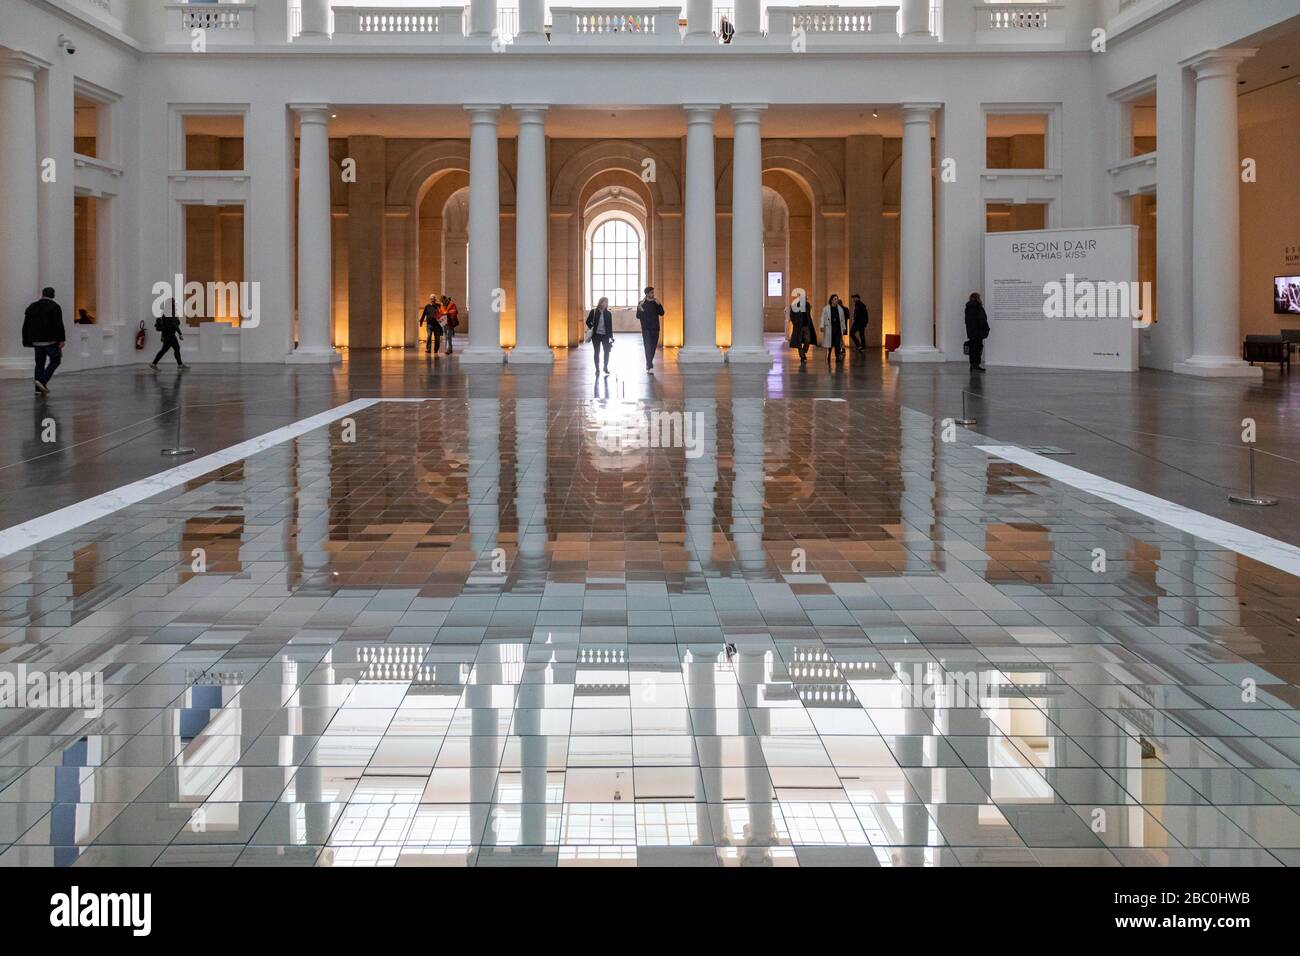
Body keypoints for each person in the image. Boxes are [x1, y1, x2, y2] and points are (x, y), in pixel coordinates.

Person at [23, 287, 65, 396]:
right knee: (56, 360)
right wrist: (61, 339)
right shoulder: (55, 307)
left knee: (39, 364)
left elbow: (26, 324)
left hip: (36, 342)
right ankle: (42, 381)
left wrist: (26, 339)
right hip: (50, 341)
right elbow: (58, 324)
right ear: (53, 295)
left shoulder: (32, 306)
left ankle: (38, 389)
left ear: (43, 294)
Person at [151, 297, 188, 369]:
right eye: (174, 303)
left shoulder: (165, 313)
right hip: (171, 335)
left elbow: (165, 326)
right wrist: (180, 334)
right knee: (175, 348)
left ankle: (154, 363)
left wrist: (162, 336)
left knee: (165, 350)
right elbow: (175, 325)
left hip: (167, 335)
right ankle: (180, 365)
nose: (175, 304)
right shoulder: (170, 313)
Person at [636, 286, 664, 371]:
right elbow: (638, 316)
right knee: (647, 346)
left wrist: (659, 305)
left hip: (655, 328)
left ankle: (649, 362)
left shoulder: (656, 303)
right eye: (651, 292)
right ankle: (649, 364)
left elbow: (662, 313)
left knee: (653, 347)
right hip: (646, 328)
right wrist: (640, 309)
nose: (653, 294)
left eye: (653, 292)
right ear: (647, 294)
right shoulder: (641, 303)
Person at [585, 296, 614, 374]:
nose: (605, 304)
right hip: (596, 335)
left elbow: (610, 326)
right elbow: (587, 321)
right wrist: (592, 327)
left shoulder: (608, 314)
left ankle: (605, 367)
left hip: (605, 336)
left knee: (606, 352)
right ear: (600, 302)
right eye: (603, 302)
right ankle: (597, 369)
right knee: (597, 352)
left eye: (606, 302)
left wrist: (611, 336)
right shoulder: (594, 311)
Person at [820, 294, 848, 367]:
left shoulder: (840, 309)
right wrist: (822, 326)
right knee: (830, 343)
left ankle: (837, 356)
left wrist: (844, 327)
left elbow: (842, 319)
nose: (836, 300)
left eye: (837, 299)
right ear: (831, 300)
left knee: (837, 343)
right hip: (830, 328)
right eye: (835, 299)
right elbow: (822, 317)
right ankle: (829, 354)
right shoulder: (826, 308)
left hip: (838, 328)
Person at [965, 291, 989, 371]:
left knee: (972, 349)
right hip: (978, 332)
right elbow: (982, 320)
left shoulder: (967, 308)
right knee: (978, 348)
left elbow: (967, 321)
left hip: (971, 332)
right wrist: (986, 329)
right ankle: (976, 365)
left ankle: (972, 365)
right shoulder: (978, 308)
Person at [789, 291, 815, 363]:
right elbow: (791, 315)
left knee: (808, 340)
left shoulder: (807, 305)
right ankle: (802, 356)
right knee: (799, 341)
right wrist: (795, 322)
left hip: (806, 325)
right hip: (798, 326)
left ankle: (803, 352)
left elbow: (808, 313)